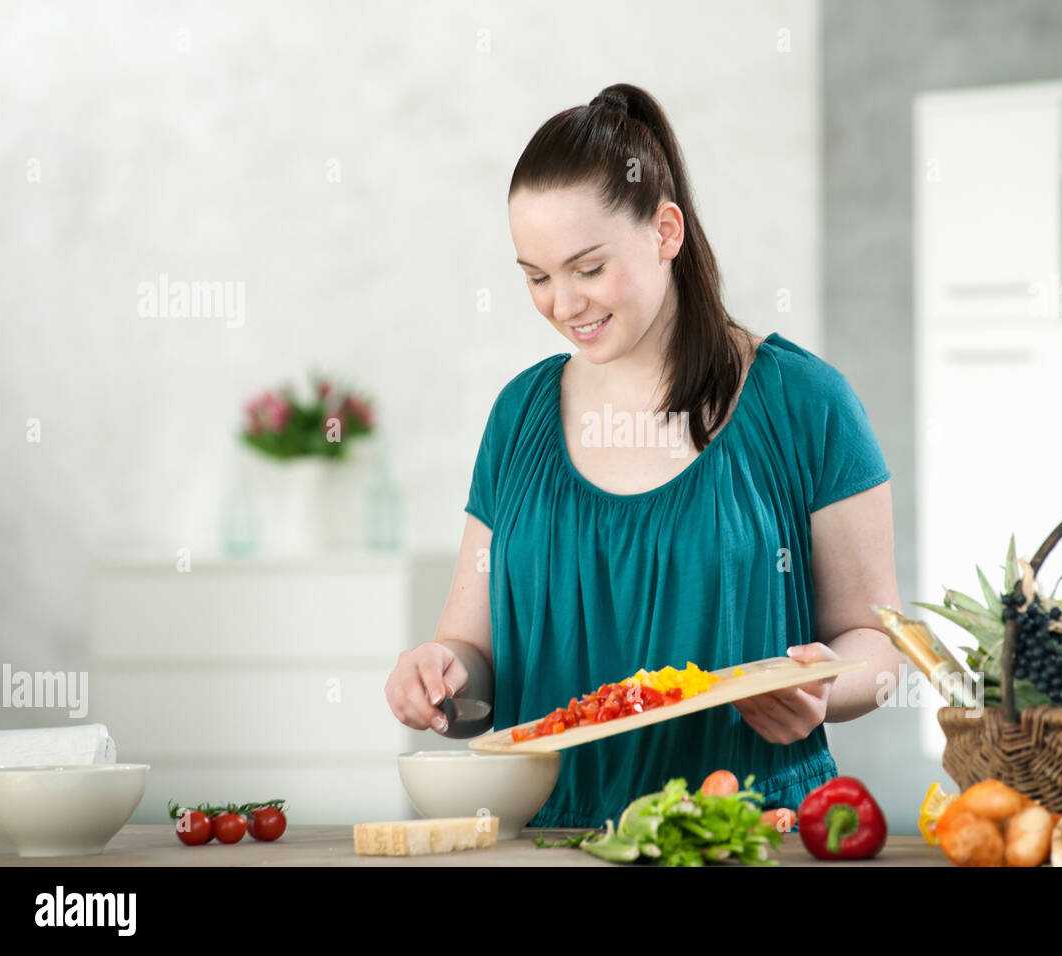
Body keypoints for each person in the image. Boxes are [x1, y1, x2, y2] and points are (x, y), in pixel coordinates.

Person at [385, 83, 908, 829]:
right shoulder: (518, 417)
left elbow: (881, 647)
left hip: (750, 834)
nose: (563, 305)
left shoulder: (807, 403)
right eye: (536, 277)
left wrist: (825, 689)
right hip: (556, 838)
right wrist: (441, 678)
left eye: (588, 268)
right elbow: (473, 656)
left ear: (666, 232)